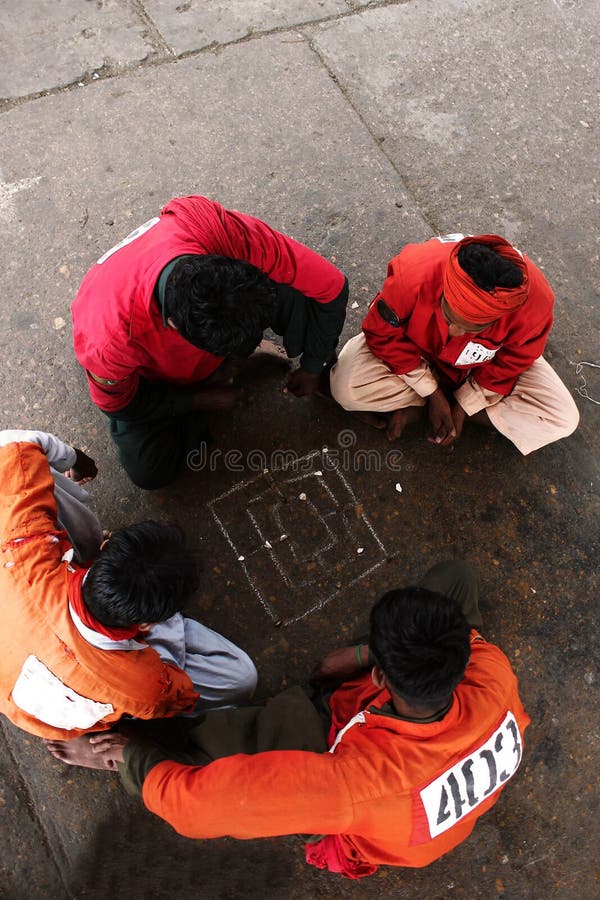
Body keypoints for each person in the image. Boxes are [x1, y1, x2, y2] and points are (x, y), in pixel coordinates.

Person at [48, 561, 530, 879]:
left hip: (364, 800)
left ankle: (114, 756)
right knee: (456, 579)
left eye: (374, 661)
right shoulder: (492, 673)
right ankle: (395, 649)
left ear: (380, 677)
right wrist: (363, 652)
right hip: (418, 767)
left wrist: (135, 758)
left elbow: (196, 807)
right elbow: (461, 624)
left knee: (210, 742)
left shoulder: (349, 785)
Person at [71, 195, 348, 489]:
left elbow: (332, 287)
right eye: (228, 357)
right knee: (148, 471)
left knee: (301, 294)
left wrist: (313, 365)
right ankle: (201, 388)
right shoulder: (108, 341)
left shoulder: (214, 229)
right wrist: (197, 400)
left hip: (209, 302)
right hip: (153, 373)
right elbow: (121, 406)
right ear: (176, 329)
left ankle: (227, 366)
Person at [0, 430, 257, 740]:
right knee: (242, 679)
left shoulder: (22, 547)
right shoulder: (145, 687)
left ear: (106, 552)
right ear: (148, 623)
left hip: (21, 659)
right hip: (91, 685)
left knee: (32, 481)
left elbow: (12, 444)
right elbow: (176, 698)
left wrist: (74, 458)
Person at [329, 233, 579, 453]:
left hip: (484, 369)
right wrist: (433, 392)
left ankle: (431, 409)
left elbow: (514, 361)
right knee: (344, 387)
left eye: (473, 327)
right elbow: (382, 334)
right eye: (448, 317)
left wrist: (463, 405)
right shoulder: (414, 274)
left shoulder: (535, 304)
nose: (455, 332)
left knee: (562, 419)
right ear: (444, 290)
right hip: (419, 353)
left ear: (498, 317)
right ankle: (437, 404)